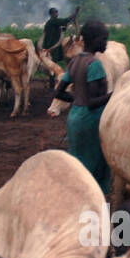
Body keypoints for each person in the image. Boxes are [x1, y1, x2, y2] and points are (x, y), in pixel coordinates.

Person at [49, 19, 112, 194]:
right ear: (94, 39)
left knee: (78, 164)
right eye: (104, 39)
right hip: (91, 121)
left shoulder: (74, 62)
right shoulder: (95, 65)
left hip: (75, 117)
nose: (106, 43)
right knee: (96, 166)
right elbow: (93, 103)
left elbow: (59, 92)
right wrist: (114, 95)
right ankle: (95, 203)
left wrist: (77, 98)